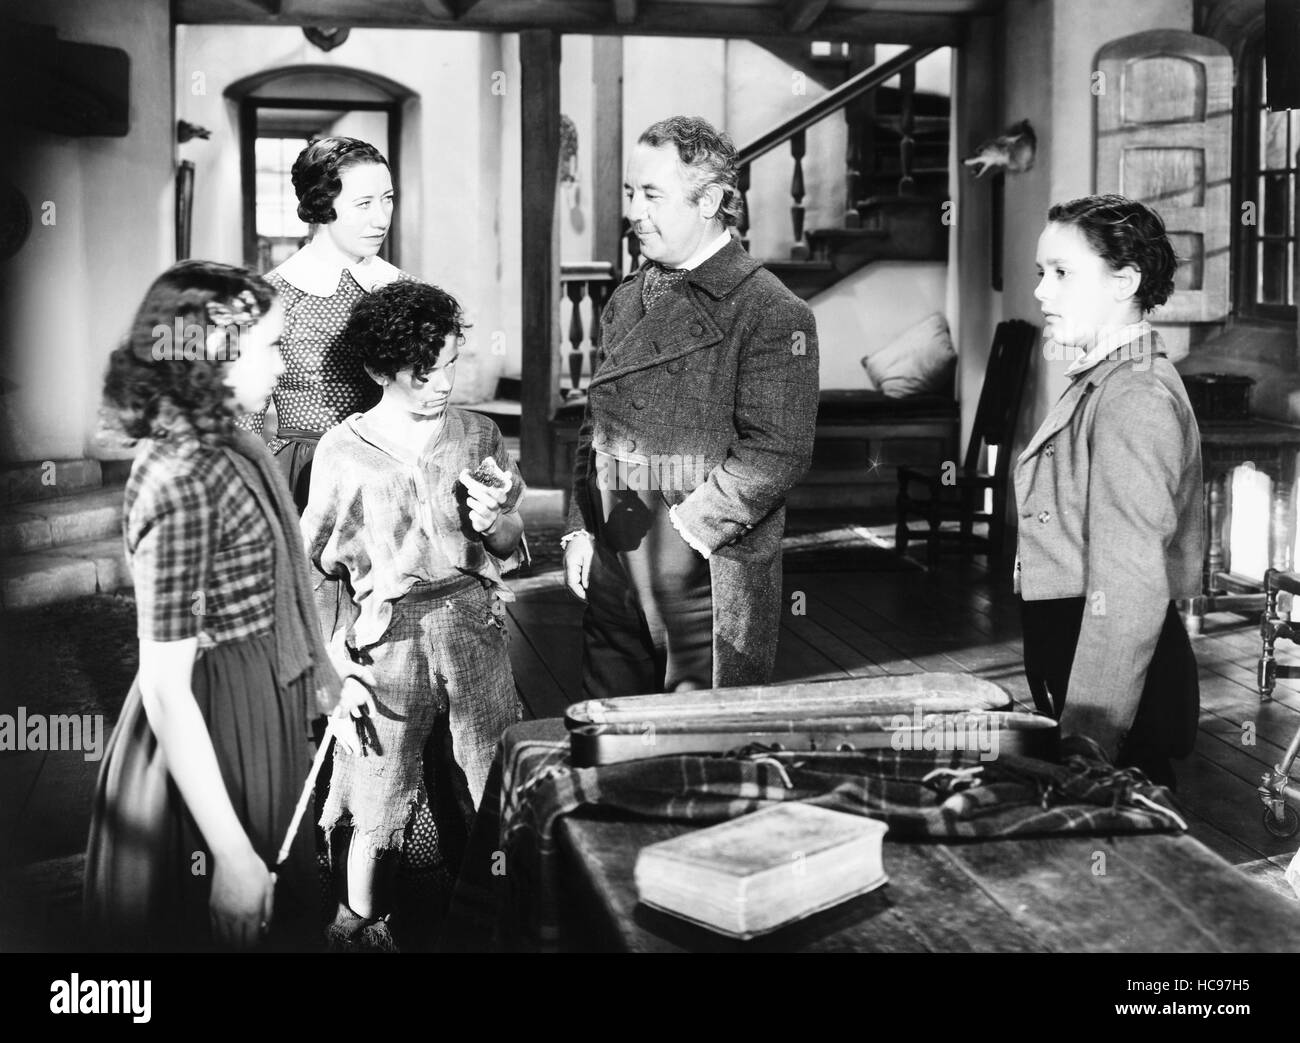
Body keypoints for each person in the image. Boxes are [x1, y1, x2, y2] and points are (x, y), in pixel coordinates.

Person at [84, 261, 372, 951]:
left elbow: (279, 591)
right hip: (214, 722)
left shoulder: (234, 440)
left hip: (262, 698)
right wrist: (233, 856)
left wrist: (326, 682)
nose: (284, 363)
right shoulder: (181, 476)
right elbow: (163, 684)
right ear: (209, 354)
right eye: (270, 346)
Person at [301, 279, 526, 951]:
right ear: (377, 369)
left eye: (451, 364)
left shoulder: (478, 432)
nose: (441, 383)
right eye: (421, 373)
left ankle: (501, 908)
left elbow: (512, 546)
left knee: (491, 771)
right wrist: (333, 662)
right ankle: (360, 921)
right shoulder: (342, 450)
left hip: (470, 626)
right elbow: (315, 569)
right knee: (376, 780)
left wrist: (499, 522)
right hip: (385, 639)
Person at [562, 115, 819, 697]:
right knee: (611, 729)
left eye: (652, 195)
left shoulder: (770, 310)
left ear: (710, 202)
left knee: (698, 746)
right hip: (615, 545)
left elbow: (777, 453)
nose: (634, 210)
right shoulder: (631, 296)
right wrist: (581, 528)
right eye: (631, 192)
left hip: (703, 564)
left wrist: (687, 534)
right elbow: (596, 419)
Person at [1015, 194, 1204, 787]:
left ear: (1125, 281)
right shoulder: (1108, 378)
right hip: (1076, 652)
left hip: (1113, 680)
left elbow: (1130, 582)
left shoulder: (1134, 397)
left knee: (1129, 846)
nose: (1043, 292)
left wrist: (1090, 733)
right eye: (1041, 274)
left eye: (1062, 273)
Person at [240, 136, 410, 511]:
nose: (381, 219)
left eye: (388, 199)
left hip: (391, 465)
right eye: (364, 204)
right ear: (321, 205)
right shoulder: (272, 297)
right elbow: (245, 418)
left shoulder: (402, 289)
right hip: (307, 473)